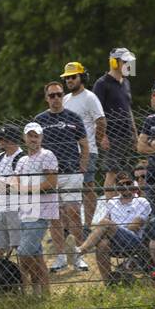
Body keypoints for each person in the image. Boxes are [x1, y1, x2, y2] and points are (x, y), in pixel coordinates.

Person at [35, 78, 90, 272]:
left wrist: (83, 166)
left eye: (59, 94)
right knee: (55, 217)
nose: (56, 98)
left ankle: (78, 256)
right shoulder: (39, 120)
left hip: (72, 172)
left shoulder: (73, 117)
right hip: (49, 175)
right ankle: (59, 257)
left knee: (74, 213)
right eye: (52, 95)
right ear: (46, 98)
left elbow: (84, 144)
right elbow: (34, 148)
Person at [62, 62, 107, 242]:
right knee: (67, 189)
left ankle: (87, 227)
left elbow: (101, 121)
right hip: (67, 153)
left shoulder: (90, 97)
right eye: (67, 78)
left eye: (73, 77)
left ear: (83, 77)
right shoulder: (64, 99)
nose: (69, 80)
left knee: (87, 188)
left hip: (86, 152)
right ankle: (69, 229)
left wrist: (94, 142)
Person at [79, 171, 150, 283]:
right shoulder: (112, 202)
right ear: (116, 187)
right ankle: (108, 282)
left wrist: (113, 230)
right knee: (102, 244)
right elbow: (105, 226)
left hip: (133, 241)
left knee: (105, 223)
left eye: (128, 183)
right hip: (114, 241)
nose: (125, 186)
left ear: (133, 184)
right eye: (121, 184)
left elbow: (135, 226)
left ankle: (80, 251)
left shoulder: (141, 201)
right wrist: (111, 232)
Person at [14, 122, 59, 295]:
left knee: (24, 252)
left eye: (36, 135)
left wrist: (26, 189)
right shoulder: (23, 160)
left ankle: (32, 285)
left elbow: (51, 183)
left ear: (41, 137)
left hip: (41, 211)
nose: (33, 139)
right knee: (36, 254)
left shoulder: (47, 155)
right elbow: (16, 182)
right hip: (24, 211)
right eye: (30, 135)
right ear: (24, 138)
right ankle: (44, 293)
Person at [93, 48, 138, 192]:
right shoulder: (101, 83)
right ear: (114, 62)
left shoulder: (126, 82)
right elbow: (96, 112)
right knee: (111, 173)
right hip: (112, 136)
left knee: (126, 173)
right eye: (124, 61)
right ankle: (110, 210)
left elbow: (128, 109)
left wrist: (134, 132)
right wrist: (102, 135)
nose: (128, 64)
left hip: (126, 134)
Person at [0, 125, 25, 263]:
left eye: (2, 139)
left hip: (16, 207)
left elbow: (16, 186)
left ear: (11, 140)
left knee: (18, 245)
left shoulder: (21, 158)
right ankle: (1, 274)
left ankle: (23, 279)